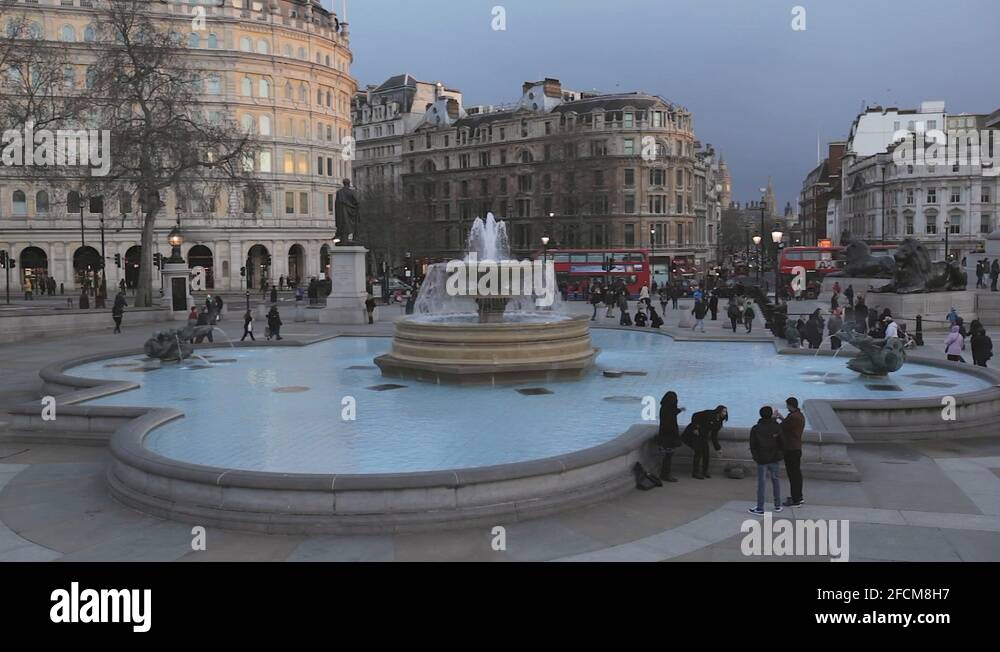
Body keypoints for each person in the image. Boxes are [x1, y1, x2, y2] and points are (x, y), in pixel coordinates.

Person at [748, 406, 784, 515]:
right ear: (771, 414)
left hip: (762, 460)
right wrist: (779, 455)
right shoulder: (776, 427)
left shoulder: (756, 428)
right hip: (774, 458)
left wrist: (756, 457)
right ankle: (777, 505)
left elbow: (753, 445)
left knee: (761, 484)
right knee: (776, 481)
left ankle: (760, 508)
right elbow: (782, 442)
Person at [681, 406, 727, 479]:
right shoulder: (709, 413)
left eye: (725, 412)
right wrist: (695, 428)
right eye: (723, 411)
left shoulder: (719, 423)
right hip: (694, 433)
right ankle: (695, 473)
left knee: (706, 453)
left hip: (703, 436)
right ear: (719, 411)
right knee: (698, 452)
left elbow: (714, 436)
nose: (725, 413)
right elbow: (695, 415)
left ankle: (705, 471)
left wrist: (718, 448)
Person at [775, 396, 805, 506]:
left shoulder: (793, 417)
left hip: (791, 449)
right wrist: (782, 418)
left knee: (793, 474)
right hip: (796, 448)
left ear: (789, 405)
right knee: (796, 474)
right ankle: (798, 496)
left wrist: (774, 418)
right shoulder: (799, 415)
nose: (786, 407)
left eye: (787, 405)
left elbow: (780, 428)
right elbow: (788, 426)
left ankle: (796, 499)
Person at [654, 391, 684, 483]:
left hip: (665, 436)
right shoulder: (669, 409)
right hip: (669, 437)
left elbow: (673, 412)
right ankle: (666, 474)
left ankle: (665, 474)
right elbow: (671, 420)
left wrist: (680, 410)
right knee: (668, 456)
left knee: (667, 456)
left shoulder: (664, 408)